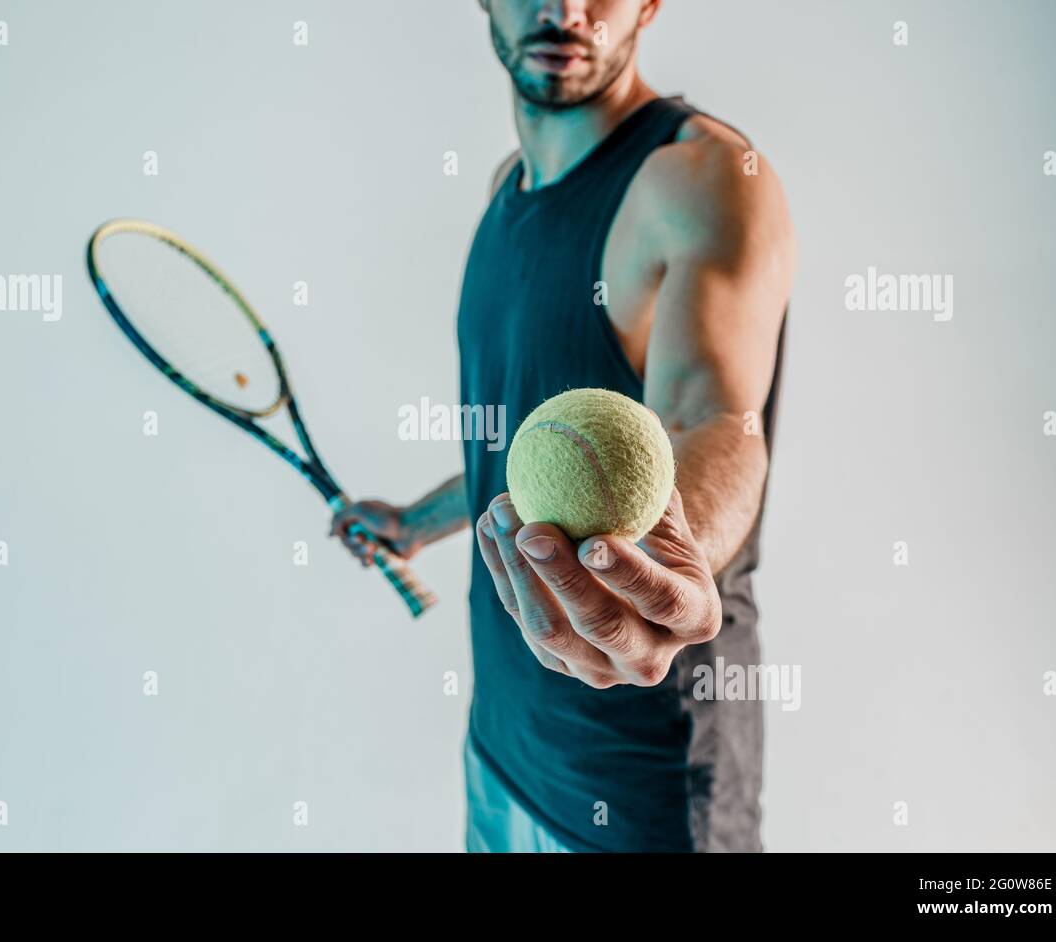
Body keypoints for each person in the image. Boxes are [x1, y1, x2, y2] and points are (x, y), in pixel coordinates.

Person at [331, 0, 794, 852]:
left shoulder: (702, 176)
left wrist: (667, 573)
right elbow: (525, 448)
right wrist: (416, 523)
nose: (563, 8)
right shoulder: (505, 189)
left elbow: (715, 416)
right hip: (504, 746)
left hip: (646, 777)